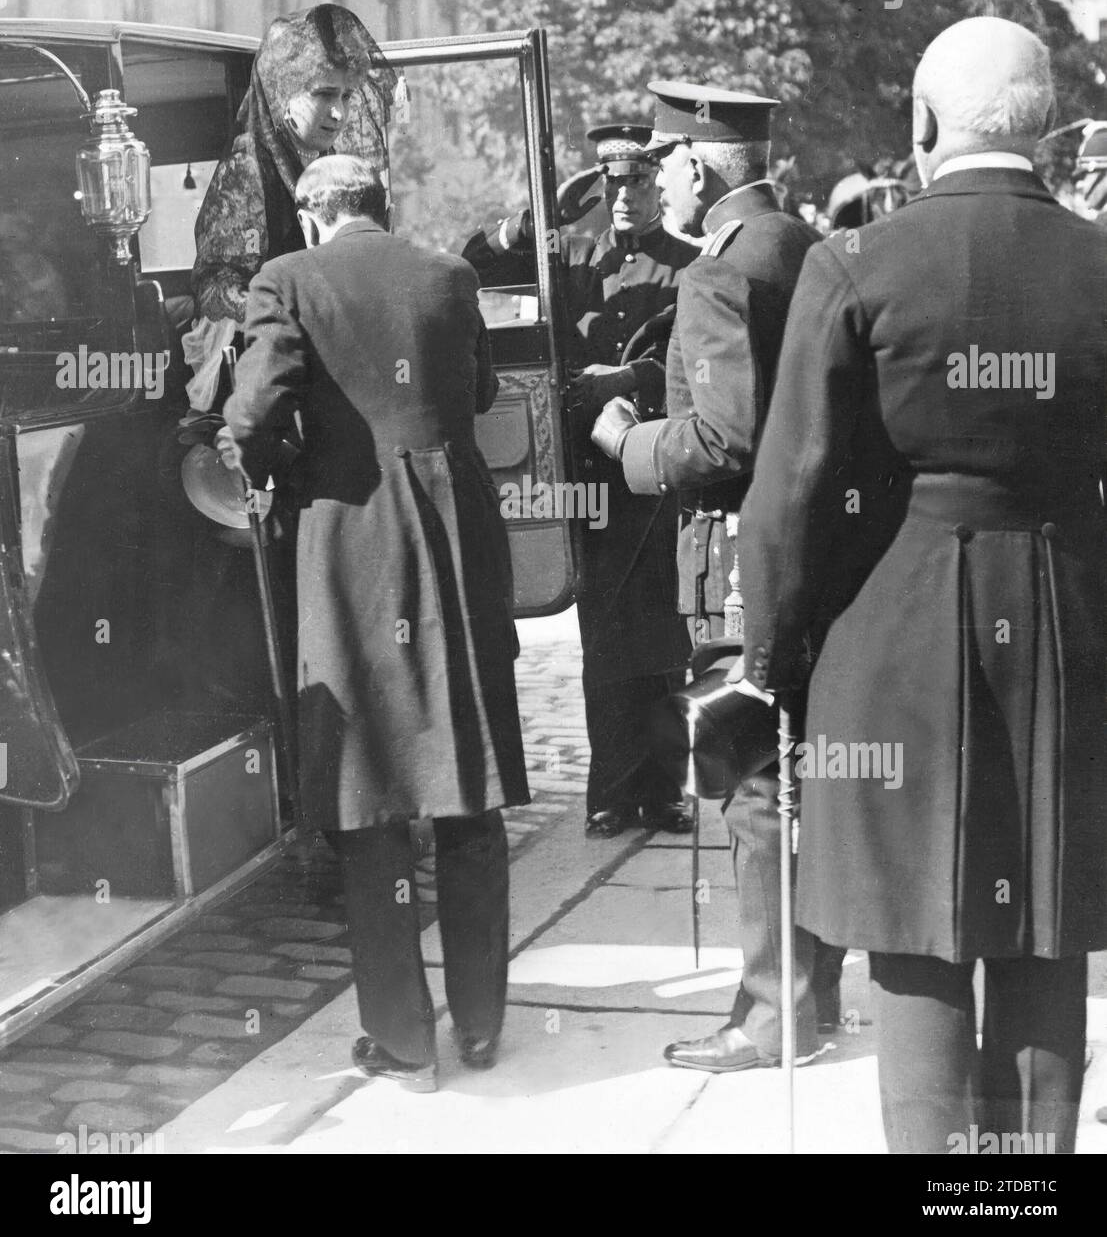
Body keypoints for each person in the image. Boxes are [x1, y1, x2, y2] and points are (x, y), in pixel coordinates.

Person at [737, 17, 1107, 1154]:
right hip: (1068, 627)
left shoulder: (853, 263)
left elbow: (793, 486)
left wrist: (772, 662)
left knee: (914, 939)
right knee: (1045, 932)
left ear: (924, 122)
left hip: (894, 649)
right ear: (1042, 125)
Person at [220, 156, 531, 1092]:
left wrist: (281, 469)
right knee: (465, 777)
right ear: (378, 208)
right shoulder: (449, 274)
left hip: (353, 537)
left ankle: (403, 1039)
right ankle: (480, 1025)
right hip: (457, 533)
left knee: (372, 795)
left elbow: (252, 413)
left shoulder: (289, 279)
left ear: (314, 215)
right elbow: (477, 393)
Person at [591, 81, 843, 1070]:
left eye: (663, 162)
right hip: (822, 556)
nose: (658, 179)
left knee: (751, 791)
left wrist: (631, 441)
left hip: (738, 561)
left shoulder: (718, 273)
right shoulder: (809, 247)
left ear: (696, 167)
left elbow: (724, 439)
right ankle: (813, 999)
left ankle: (772, 1021)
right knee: (801, 783)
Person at [463, 124, 698, 837]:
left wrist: (632, 378)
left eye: (636, 181)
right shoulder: (566, 257)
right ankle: (609, 792)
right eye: (609, 183)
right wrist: (537, 216)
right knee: (603, 640)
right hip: (584, 478)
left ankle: (662, 792)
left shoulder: (687, 265)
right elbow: (473, 263)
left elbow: (700, 363)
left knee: (663, 642)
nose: (622, 196)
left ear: (660, 182)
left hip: (654, 468)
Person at [170, 3, 395, 716]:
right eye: (321, 94)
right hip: (270, 388)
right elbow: (216, 283)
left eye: (343, 94)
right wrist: (296, 314)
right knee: (277, 581)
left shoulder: (332, 168)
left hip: (333, 384)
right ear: (283, 91)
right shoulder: (249, 162)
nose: (336, 111)